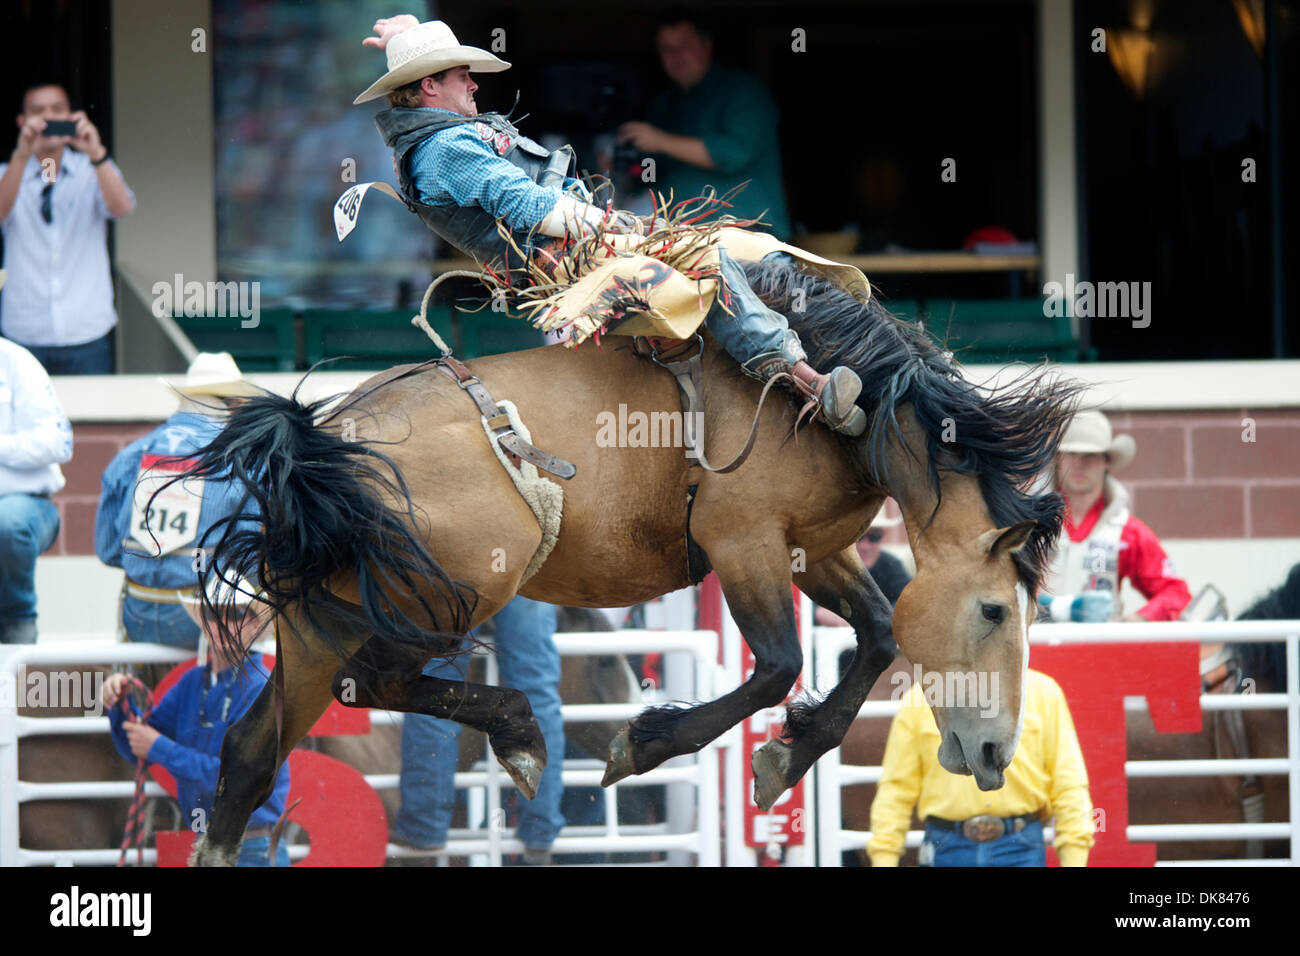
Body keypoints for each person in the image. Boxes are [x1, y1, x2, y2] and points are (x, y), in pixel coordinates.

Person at [351, 16, 865, 436]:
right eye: (461, 74)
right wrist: (621, 229)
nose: (473, 82)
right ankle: (799, 376)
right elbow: (529, 207)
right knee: (707, 261)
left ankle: (842, 346)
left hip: (580, 242)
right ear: (429, 87)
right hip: (569, 262)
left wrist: (404, 37)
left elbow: (527, 196)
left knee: (747, 245)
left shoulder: (437, 133)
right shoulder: (445, 148)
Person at [101, 578, 290, 867]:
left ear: (255, 626)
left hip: (250, 848)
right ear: (205, 622)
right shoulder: (191, 683)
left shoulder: (262, 691)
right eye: (216, 614)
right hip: (217, 844)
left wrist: (158, 748)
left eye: (237, 614)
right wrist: (119, 702)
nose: (225, 623)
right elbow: (136, 746)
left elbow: (237, 779)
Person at [94, 352, 261, 649]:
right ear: (233, 406)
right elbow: (251, 560)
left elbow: (107, 550)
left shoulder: (132, 455)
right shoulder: (239, 462)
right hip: (204, 620)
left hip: (138, 611)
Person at [392, 595, 565, 864]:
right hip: (525, 567)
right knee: (535, 691)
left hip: (451, 569)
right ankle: (539, 833)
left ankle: (423, 828)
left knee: (433, 687)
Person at [869, 668, 1094, 867]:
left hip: (1016, 846)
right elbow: (896, 789)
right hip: (951, 845)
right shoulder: (920, 699)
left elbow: (1069, 783)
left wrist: (1075, 857)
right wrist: (883, 858)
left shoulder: (1044, 693)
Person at [0, 82, 136, 375]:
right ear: (22, 122)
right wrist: (22, 155)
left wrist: (96, 152)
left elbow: (122, 208)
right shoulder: (7, 174)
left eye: (57, 110)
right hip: (25, 332)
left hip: (86, 332)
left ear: (72, 117)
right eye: (38, 112)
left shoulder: (93, 171)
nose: (48, 117)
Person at [619, 9, 790, 240]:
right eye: (667, 49)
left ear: (706, 46)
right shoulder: (663, 104)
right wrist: (621, 165)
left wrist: (660, 140)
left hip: (747, 234)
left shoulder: (743, 91)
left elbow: (734, 154)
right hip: (678, 236)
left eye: (685, 46)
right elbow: (649, 172)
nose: (676, 56)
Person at [1041, 409, 1192, 623]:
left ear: (1107, 461)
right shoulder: (1030, 522)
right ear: (1058, 459)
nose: (1079, 463)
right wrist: (1051, 606)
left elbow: (1175, 593)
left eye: (1090, 456)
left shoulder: (1127, 532)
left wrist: (1137, 619)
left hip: (1102, 650)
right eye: (1071, 453)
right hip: (1037, 649)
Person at [0, 281, 73, 643]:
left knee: (8, 522)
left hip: (25, 507)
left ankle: (17, 624)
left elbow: (58, 443)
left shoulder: (16, 362)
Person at [815, 503, 911, 628]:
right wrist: (816, 613)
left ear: (883, 537)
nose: (865, 546)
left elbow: (908, 602)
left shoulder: (892, 566)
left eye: (874, 537)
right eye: (858, 537)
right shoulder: (827, 566)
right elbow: (799, 605)